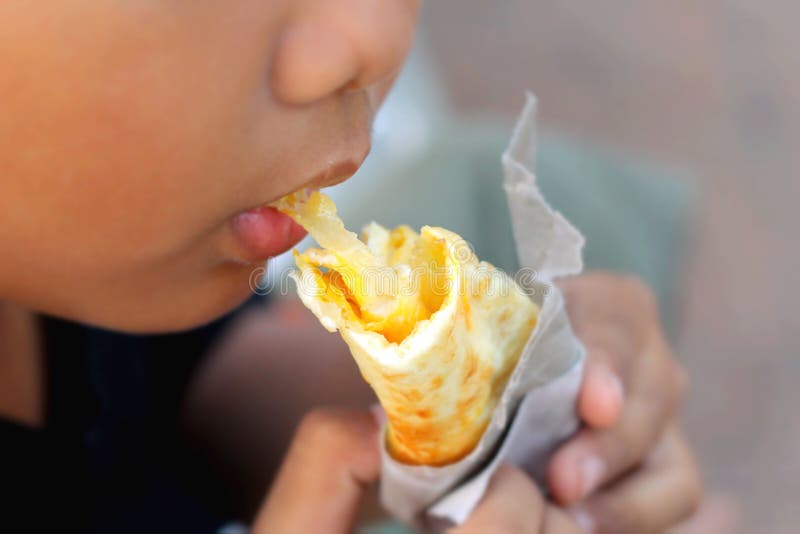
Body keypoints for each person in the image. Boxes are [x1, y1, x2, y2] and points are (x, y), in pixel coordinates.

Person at [0, 1, 700, 532]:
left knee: (489, 196)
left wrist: (507, 402)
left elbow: (183, 391)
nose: (378, 34)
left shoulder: (72, 268)